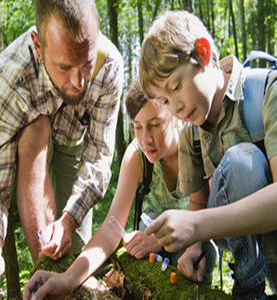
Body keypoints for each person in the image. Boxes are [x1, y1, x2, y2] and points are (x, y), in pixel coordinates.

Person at [0, 0, 124, 296]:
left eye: (87, 63)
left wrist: (68, 221)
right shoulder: (11, 76)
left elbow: (98, 157)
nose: (79, 81)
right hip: (31, 149)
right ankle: (41, 275)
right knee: (36, 128)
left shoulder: (109, 66)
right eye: (65, 66)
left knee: (77, 260)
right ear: (38, 45)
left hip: (74, 147)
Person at [22, 78, 216, 300]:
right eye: (138, 127)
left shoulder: (195, 144)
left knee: (198, 260)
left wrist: (159, 242)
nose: (146, 139)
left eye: (155, 124)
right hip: (151, 230)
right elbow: (111, 229)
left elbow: (203, 209)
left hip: (195, 234)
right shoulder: (137, 156)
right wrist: (67, 279)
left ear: (174, 114)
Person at [139, 9, 277, 300]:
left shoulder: (266, 92)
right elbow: (198, 202)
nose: (175, 108)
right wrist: (193, 247)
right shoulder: (192, 134)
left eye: (176, 87)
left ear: (202, 53)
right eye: (165, 101)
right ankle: (248, 287)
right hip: (252, 262)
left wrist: (196, 227)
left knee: (242, 161)